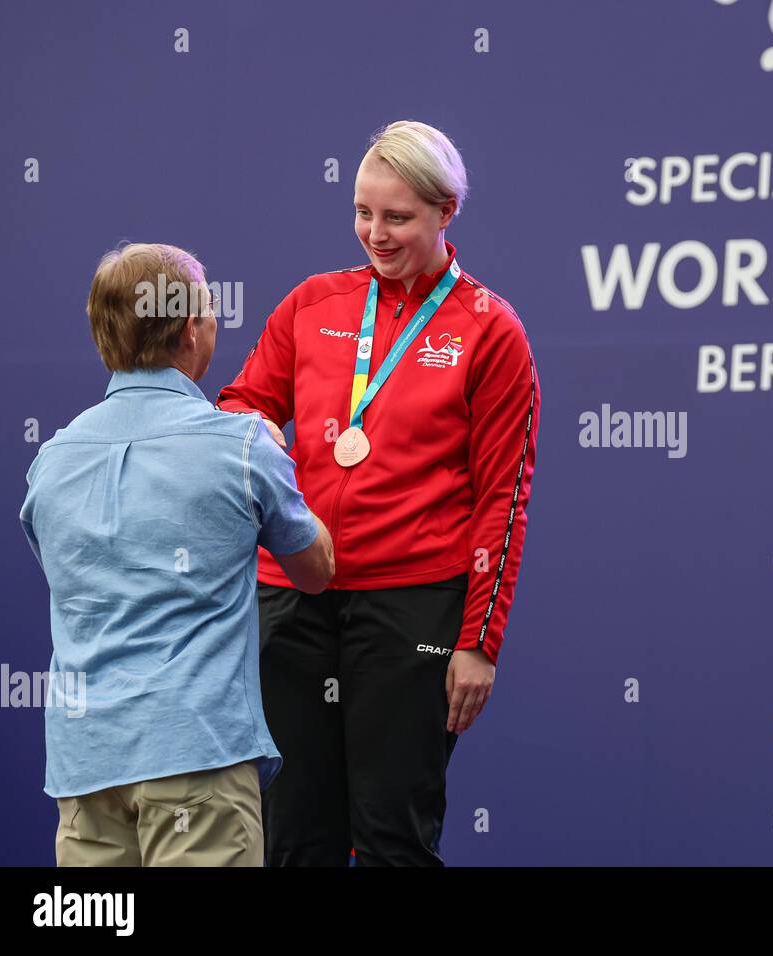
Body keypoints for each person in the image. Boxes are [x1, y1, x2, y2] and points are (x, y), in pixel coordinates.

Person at [215, 120, 540, 866]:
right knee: (294, 836)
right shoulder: (312, 304)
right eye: (363, 213)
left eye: (397, 217)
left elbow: (504, 498)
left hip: (413, 603)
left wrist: (478, 643)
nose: (376, 233)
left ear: (445, 212)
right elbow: (243, 407)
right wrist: (252, 436)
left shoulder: (490, 330)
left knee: (394, 836)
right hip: (293, 597)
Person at [19, 242, 334, 866]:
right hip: (199, 759)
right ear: (191, 328)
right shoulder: (243, 445)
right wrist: (280, 459)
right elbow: (315, 570)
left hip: (85, 768)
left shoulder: (48, 463)